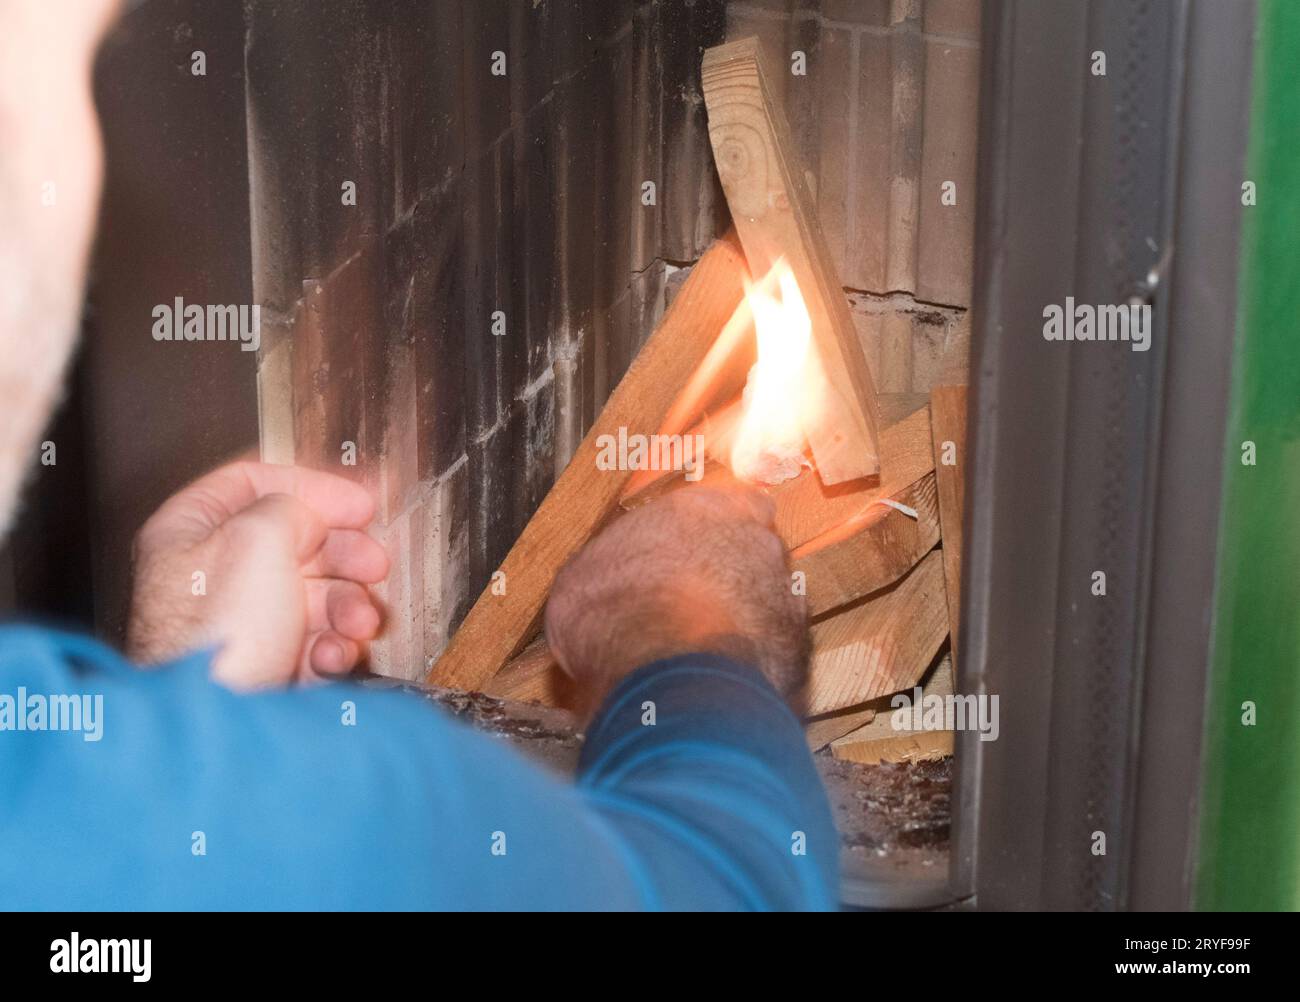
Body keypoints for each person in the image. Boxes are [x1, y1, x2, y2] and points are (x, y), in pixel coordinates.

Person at [0, 0, 837, 909]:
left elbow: (137, 850)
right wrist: (688, 620)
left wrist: (195, 689)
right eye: (70, 72)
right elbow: (734, 880)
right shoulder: (383, 813)